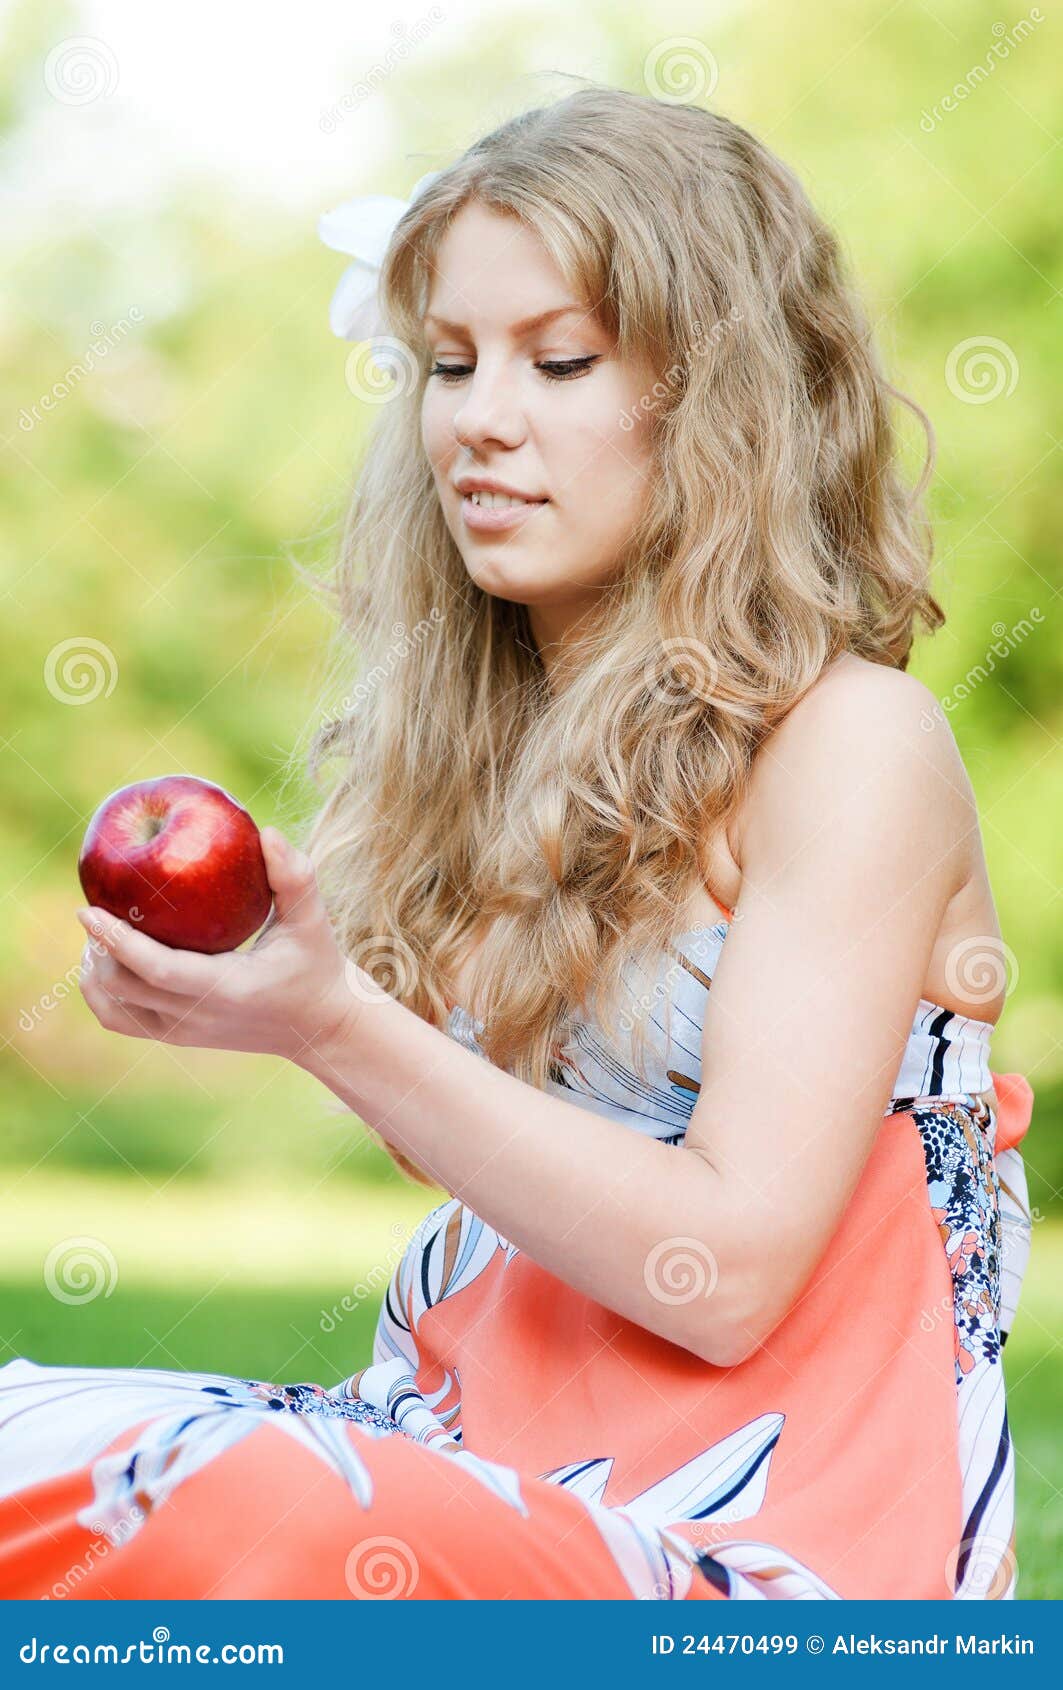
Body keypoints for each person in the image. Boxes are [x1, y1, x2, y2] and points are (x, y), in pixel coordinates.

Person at [0, 85, 1034, 1601]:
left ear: (725, 398)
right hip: (479, 1447)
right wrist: (266, 1007)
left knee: (257, 1507)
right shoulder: (506, 747)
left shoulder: (854, 743)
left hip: (770, 1528)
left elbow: (729, 1273)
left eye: (559, 360)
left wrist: (333, 1023)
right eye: (448, 361)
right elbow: (526, 1159)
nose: (480, 416)